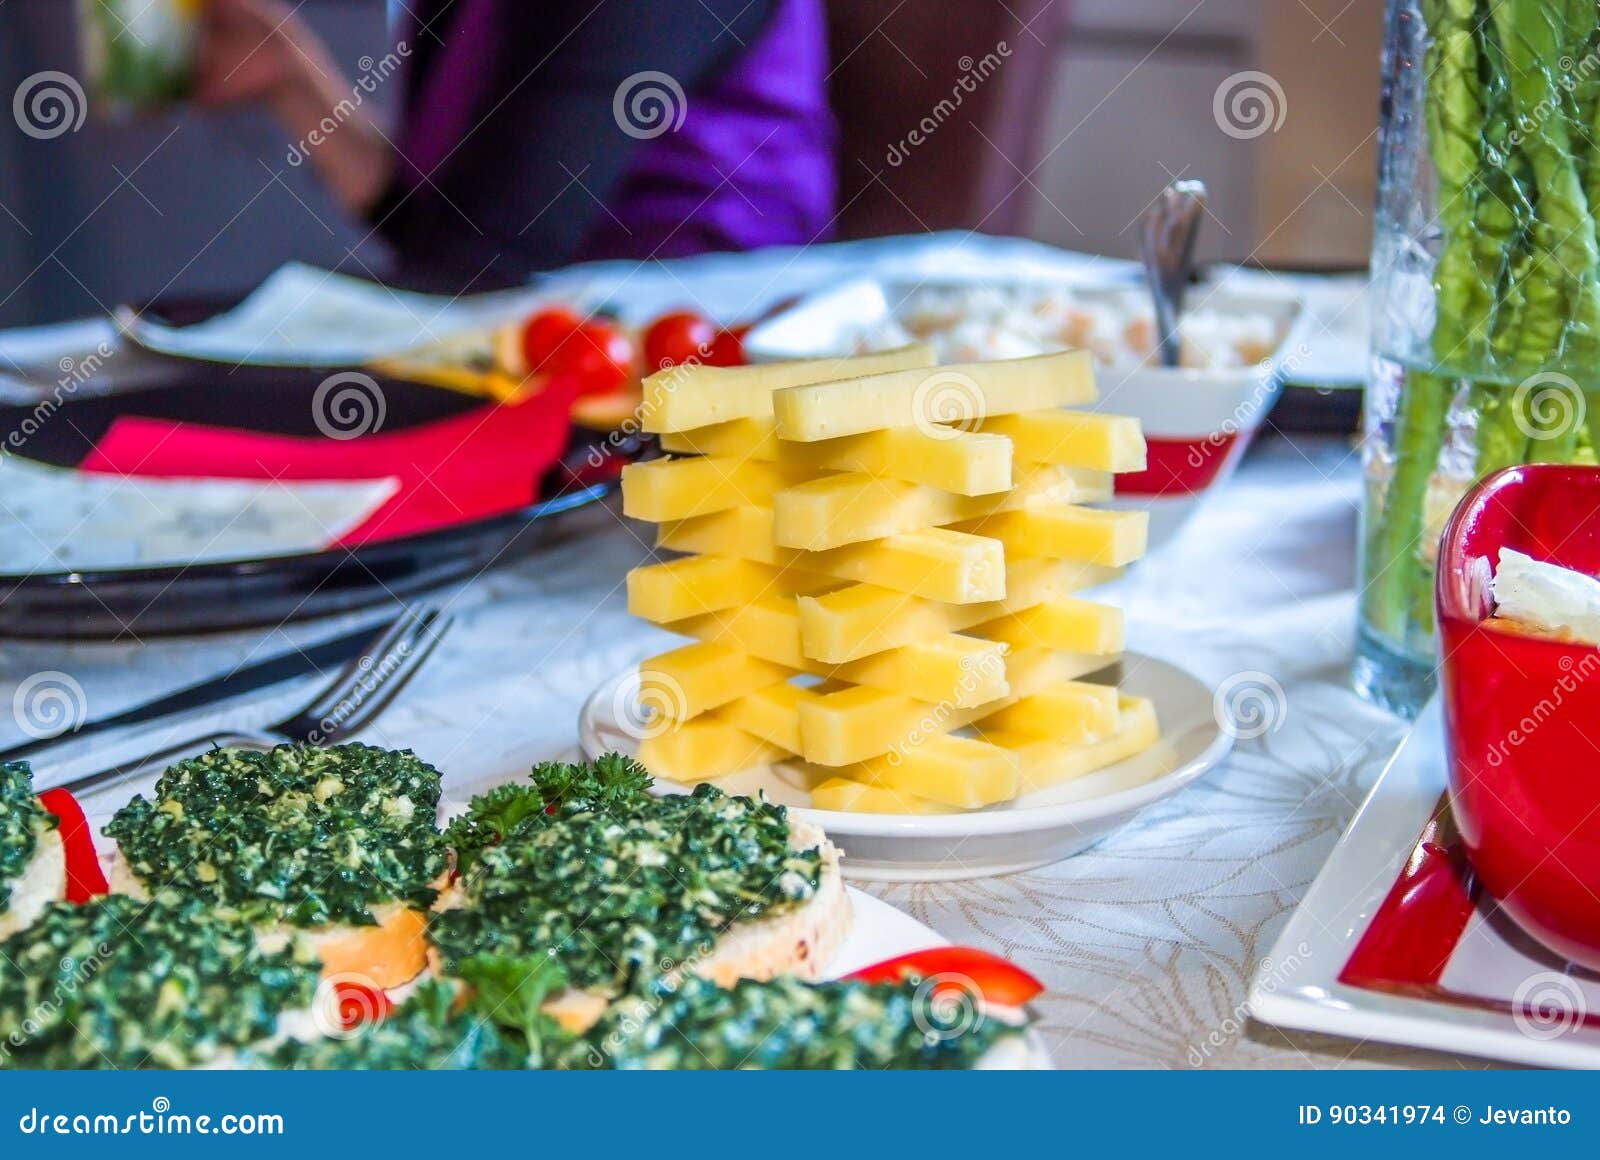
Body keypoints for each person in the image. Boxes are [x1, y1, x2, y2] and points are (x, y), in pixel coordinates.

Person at [195, 0, 838, 291]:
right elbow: (443, 224)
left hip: (695, 342)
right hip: (526, 323)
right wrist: (294, 83)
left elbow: (490, 248)